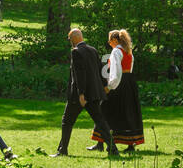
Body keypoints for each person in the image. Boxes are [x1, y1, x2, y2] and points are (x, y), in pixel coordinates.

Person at [54, 28, 119, 157]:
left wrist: (81, 94)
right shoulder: (93, 50)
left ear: (75, 37)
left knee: (67, 121)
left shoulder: (76, 52)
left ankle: (63, 150)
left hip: (79, 95)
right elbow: (100, 70)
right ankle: (113, 149)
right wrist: (103, 87)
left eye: (70, 38)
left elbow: (79, 74)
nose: (69, 41)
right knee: (100, 121)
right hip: (94, 93)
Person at [89, 29, 145, 151]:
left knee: (103, 111)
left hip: (118, 84)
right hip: (129, 84)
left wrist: (109, 87)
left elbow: (116, 72)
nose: (109, 43)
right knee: (128, 112)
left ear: (114, 40)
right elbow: (129, 69)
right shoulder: (129, 51)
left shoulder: (116, 51)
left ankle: (100, 143)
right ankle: (130, 144)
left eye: (109, 41)